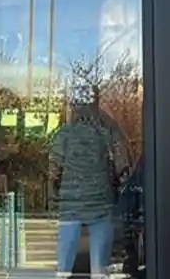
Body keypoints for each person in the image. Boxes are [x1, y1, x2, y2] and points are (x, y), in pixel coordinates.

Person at [50, 92, 118, 278]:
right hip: (101, 204)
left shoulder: (64, 134)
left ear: (73, 107)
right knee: (100, 271)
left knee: (63, 270)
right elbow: (122, 166)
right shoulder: (107, 131)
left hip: (70, 206)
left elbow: (53, 171)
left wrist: (56, 195)